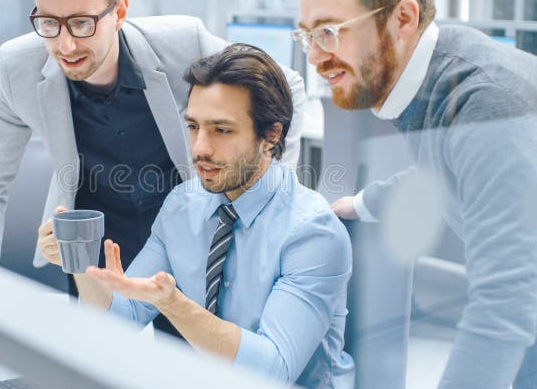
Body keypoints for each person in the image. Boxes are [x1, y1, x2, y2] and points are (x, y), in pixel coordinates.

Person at [295, 0, 537, 388]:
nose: (314, 56)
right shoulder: (437, 71)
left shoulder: (488, 103)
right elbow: (449, 169)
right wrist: (364, 203)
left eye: (331, 30)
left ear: (403, 19)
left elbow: (501, 309)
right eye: (306, 34)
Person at [0, 0, 306, 337]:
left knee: (190, 367)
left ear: (120, 13)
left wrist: (263, 208)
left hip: (186, 246)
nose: (65, 44)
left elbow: (290, 87)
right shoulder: (17, 66)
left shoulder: (184, 43)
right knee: (93, 370)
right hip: (92, 253)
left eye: (82, 23)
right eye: (49, 23)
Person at [39, 44, 355, 388]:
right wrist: (78, 261)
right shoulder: (182, 206)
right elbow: (122, 317)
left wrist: (171, 303)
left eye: (222, 130)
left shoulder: (313, 233)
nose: (200, 148)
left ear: (271, 135)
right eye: (193, 126)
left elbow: (271, 370)